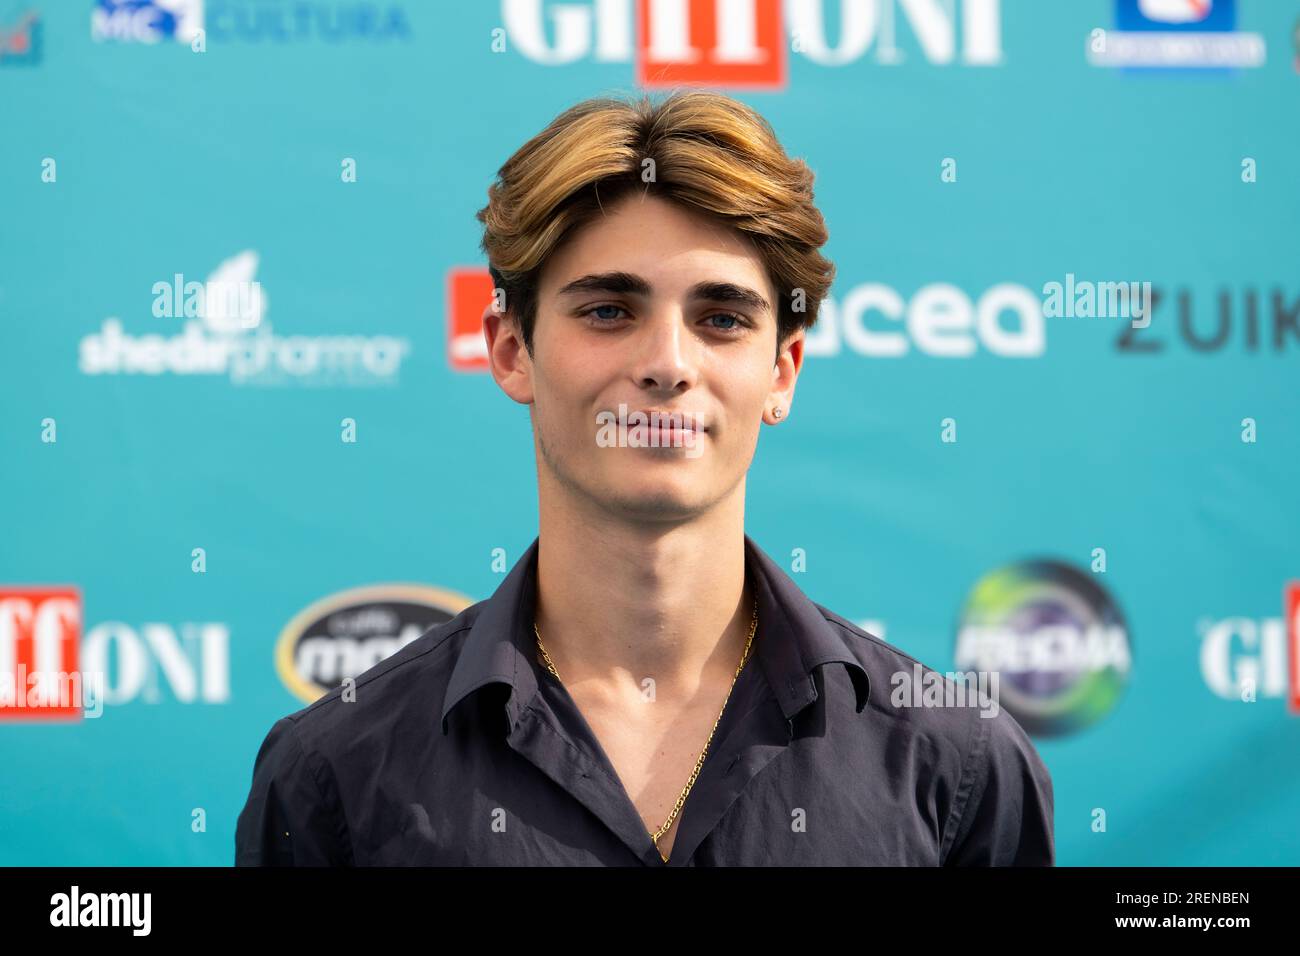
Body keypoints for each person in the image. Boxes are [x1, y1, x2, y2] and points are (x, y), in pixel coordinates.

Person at [235, 89, 1054, 866]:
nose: (666, 363)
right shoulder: (334, 772)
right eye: (607, 311)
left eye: (722, 319)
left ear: (783, 372)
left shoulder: (958, 766)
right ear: (510, 349)